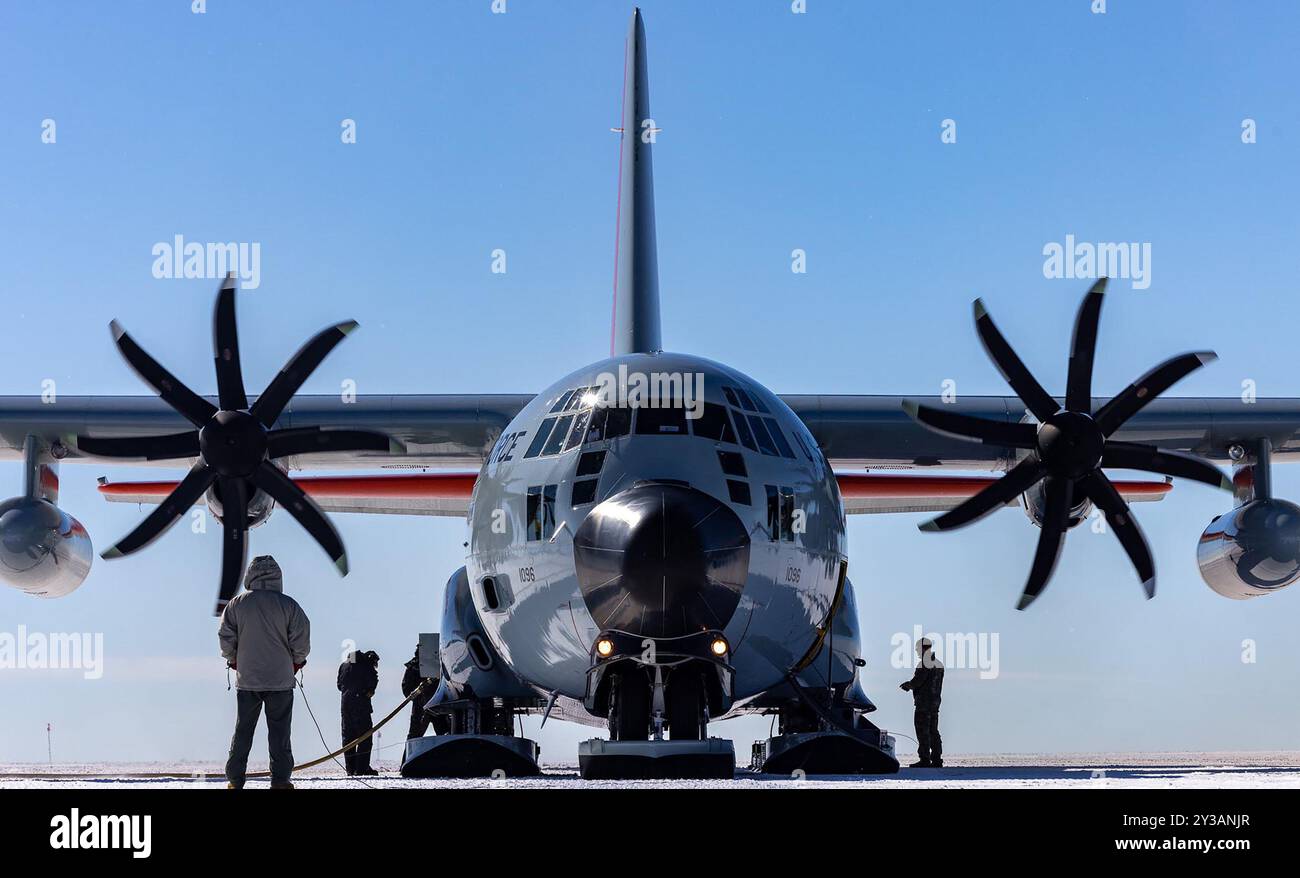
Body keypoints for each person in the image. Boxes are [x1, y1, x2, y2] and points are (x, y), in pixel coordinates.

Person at [218, 555, 311, 790]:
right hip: (280, 680)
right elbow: (301, 640)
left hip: (248, 680)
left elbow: (225, 637)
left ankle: (235, 779)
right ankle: (280, 781)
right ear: (278, 577)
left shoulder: (237, 604)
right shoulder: (289, 605)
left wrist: (234, 660)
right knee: (279, 734)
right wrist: (296, 663)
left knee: (243, 731)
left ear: (250, 576)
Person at [900, 638, 944, 768]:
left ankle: (925, 759)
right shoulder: (939, 664)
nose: (917, 652)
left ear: (924, 648)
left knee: (923, 730)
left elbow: (918, 681)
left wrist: (908, 685)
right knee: (933, 731)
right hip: (935, 703)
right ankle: (936, 759)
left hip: (924, 703)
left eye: (918, 649)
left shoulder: (925, 663)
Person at [337, 649, 380, 776]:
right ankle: (362, 769)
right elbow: (372, 682)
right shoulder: (366, 665)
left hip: (345, 706)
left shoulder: (344, 665)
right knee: (365, 738)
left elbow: (339, 685)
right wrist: (368, 691)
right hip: (361, 706)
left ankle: (350, 769)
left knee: (348, 739)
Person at [401, 644, 434, 741]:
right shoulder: (414, 666)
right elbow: (406, 687)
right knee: (414, 736)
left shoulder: (437, 666)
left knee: (445, 732)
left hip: (436, 702)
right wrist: (417, 697)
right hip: (421, 704)